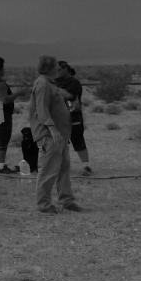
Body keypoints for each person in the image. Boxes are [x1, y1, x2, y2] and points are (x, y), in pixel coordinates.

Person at [28, 54, 81, 213]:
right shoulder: (43, 84)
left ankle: (66, 200)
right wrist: (52, 130)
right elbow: (42, 110)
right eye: (57, 67)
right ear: (49, 68)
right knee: (49, 169)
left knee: (63, 168)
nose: (59, 70)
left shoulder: (51, 84)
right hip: (50, 135)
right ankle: (44, 204)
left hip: (61, 135)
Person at [55, 60, 92, 176]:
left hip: (73, 117)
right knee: (59, 143)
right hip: (58, 117)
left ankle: (86, 166)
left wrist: (53, 89)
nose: (57, 72)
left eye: (59, 70)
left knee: (78, 141)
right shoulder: (55, 82)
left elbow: (69, 95)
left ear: (66, 69)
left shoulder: (74, 83)